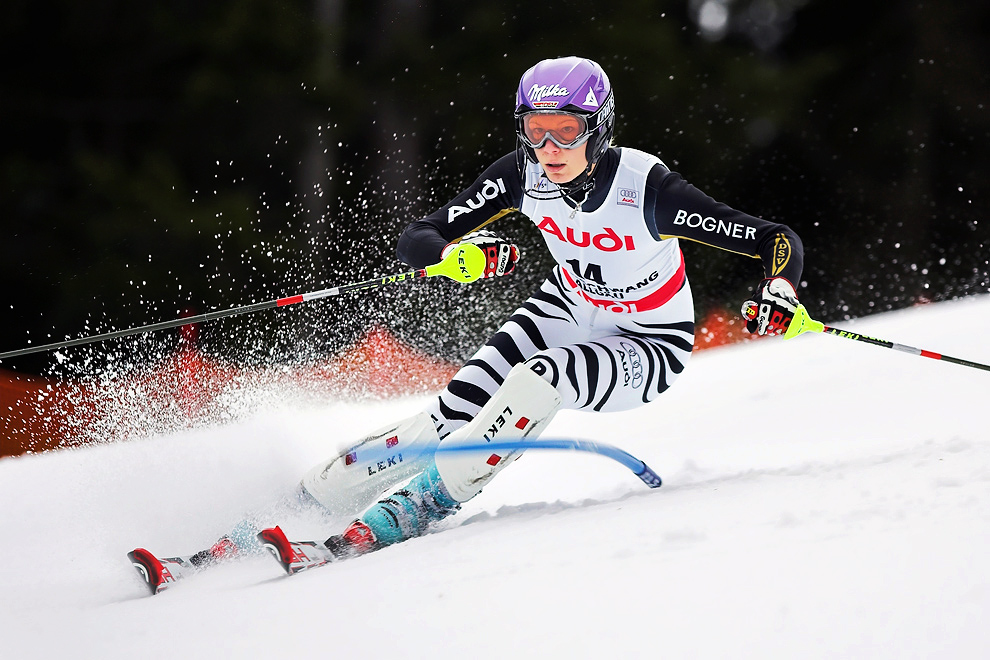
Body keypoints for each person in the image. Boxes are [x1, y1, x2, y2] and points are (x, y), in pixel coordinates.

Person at [134, 56, 804, 583]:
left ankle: (425, 501)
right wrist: (458, 258)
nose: (548, 147)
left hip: (646, 342)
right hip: (566, 308)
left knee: (542, 378)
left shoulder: (647, 189)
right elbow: (420, 239)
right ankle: (301, 506)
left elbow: (773, 237)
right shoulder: (523, 174)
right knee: (452, 409)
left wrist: (780, 289)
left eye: (565, 130)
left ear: (598, 128)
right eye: (534, 130)